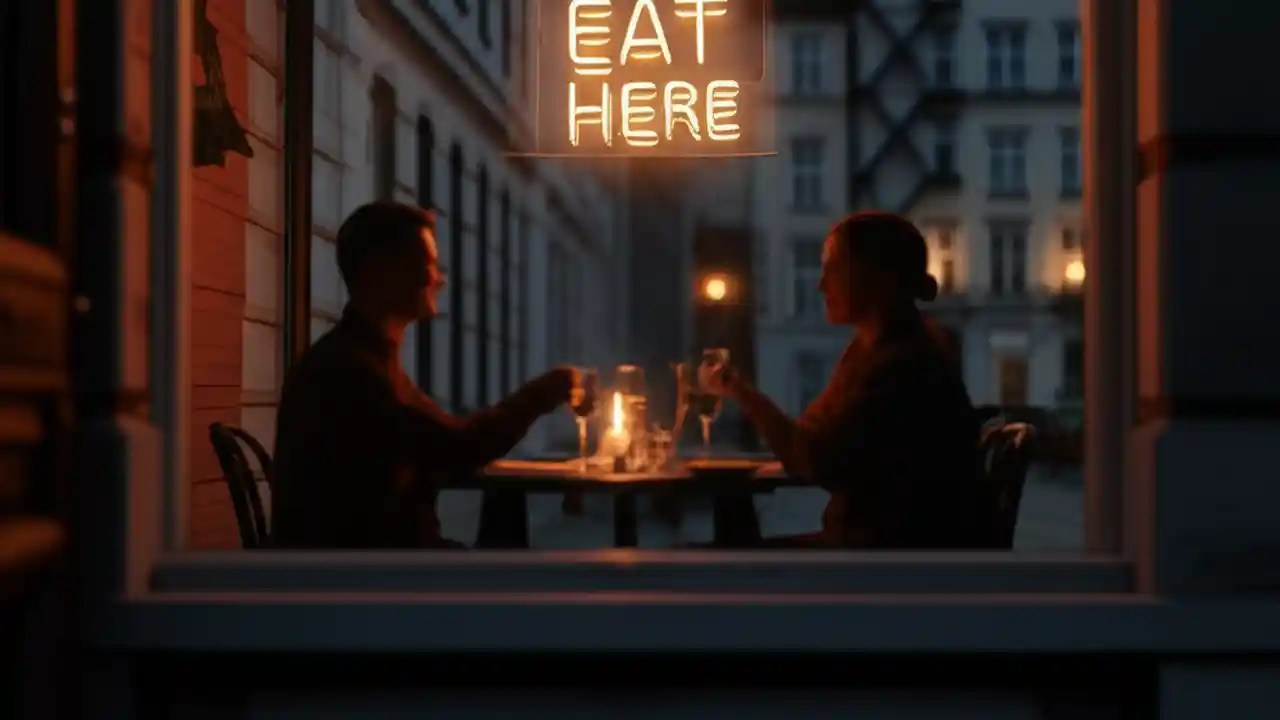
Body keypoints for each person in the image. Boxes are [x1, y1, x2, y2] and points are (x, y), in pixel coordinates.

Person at [271, 202, 587, 549]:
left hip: (374, 568)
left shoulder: (363, 361)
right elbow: (461, 447)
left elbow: (451, 440)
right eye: (427, 264)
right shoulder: (350, 373)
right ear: (380, 271)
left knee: (505, 525)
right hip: (374, 580)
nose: (439, 278)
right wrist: (549, 389)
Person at [707, 211, 992, 549]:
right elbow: (813, 441)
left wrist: (742, 393)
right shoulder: (876, 350)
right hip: (878, 551)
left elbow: (813, 458)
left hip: (881, 563)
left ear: (877, 277)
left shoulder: (898, 365)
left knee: (694, 567)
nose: (821, 283)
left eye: (834, 268)